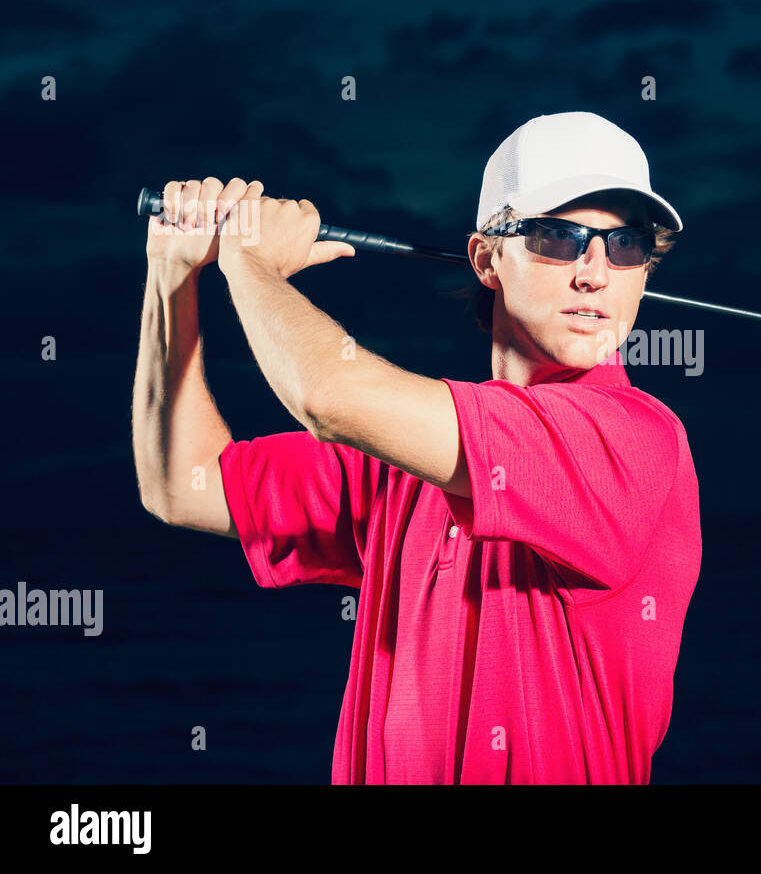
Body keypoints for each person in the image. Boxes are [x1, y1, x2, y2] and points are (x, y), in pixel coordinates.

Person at [131, 111, 703, 783]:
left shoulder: (630, 437)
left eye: (626, 246)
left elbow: (327, 392)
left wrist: (248, 260)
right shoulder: (411, 459)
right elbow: (181, 482)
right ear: (488, 258)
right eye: (560, 238)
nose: (595, 274)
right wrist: (172, 274)